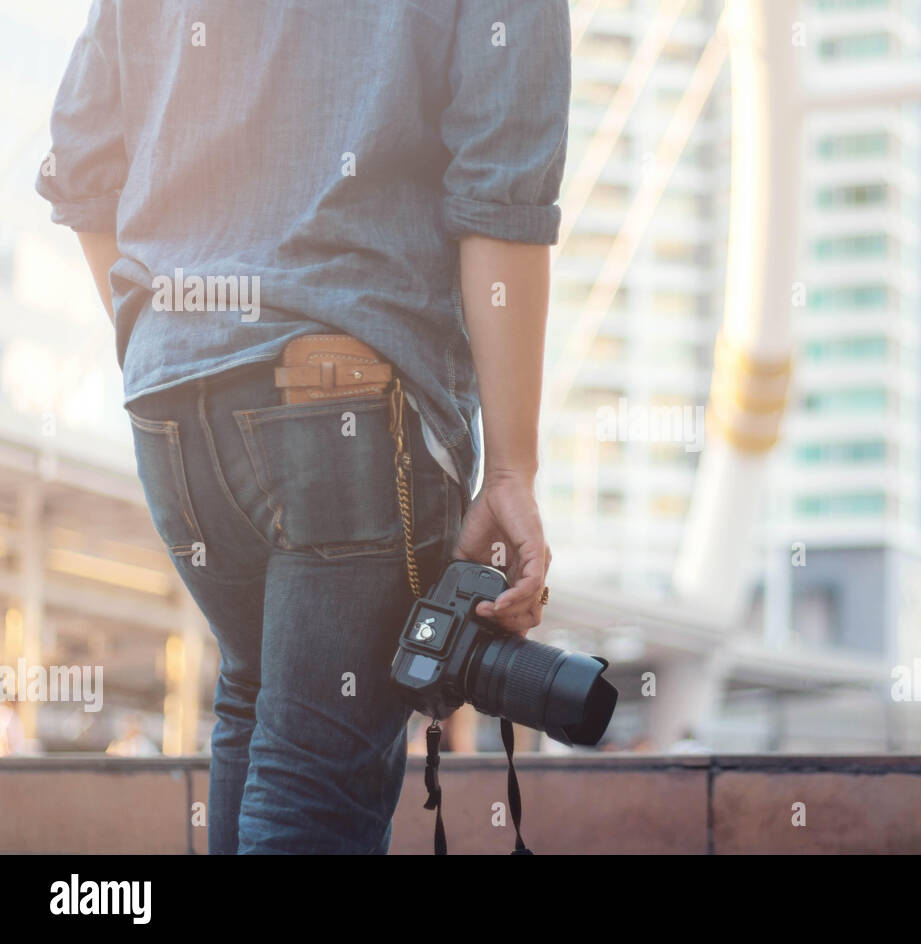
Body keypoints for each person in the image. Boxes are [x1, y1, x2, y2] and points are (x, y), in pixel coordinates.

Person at [37, 0, 569, 853]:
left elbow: (82, 159)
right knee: (311, 792)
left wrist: (161, 342)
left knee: (256, 712)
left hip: (173, 398)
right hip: (350, 394)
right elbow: (503, 198)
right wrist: (511, 469)